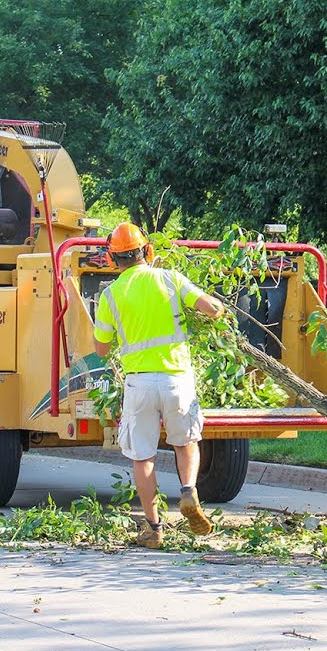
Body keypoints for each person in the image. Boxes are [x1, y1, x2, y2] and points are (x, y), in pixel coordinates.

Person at [93, 223, 227, 548]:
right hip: (177, 379)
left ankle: (154, 530)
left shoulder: (110, 295)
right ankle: (188, 492)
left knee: (143, 456)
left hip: (139, 385)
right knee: (186, 442)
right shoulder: (170, 279)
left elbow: (100, 349)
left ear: (113, 259)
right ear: (147, 252)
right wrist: (219, 310)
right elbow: (211, 310)